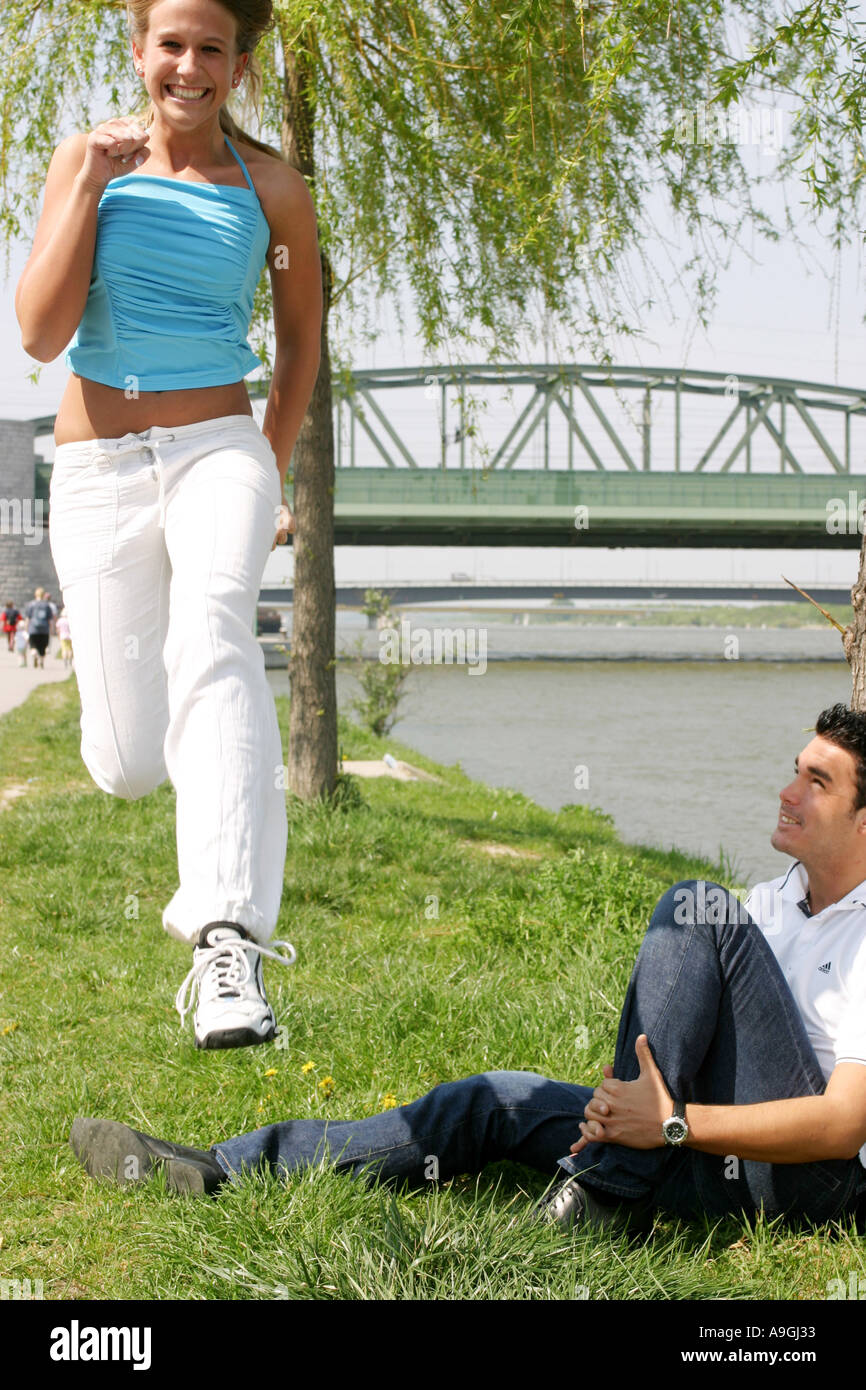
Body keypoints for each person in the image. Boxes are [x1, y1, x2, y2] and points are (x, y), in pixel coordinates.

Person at [70, 704, 866, 1233]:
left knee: (698, 902)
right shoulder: (772, 901)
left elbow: (843, 1126)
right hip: (687, 1153)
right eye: (795, 769)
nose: (787, 791)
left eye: (817, 782)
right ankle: (219, 1170)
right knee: (492, 1099)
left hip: (798, 1184)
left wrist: (667, 1124)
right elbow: (673, 1030)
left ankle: (611, 1189)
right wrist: (618, 1099)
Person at [15, 0, 322, 1051]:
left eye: (211, 50)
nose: (188, 67)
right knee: (128, 760)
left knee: (216, 637)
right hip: (98, 465)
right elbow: (41, 331)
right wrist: (92, 188)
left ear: (238, 65)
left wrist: (264, 469)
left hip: (216, 450)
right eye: (171, 46)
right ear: (140, 51)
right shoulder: (85, 160)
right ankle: (199, 878)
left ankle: (226, 941)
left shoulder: (271, 190)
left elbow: (296, 345)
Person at [23, 587, 57, 668]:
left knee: (33, 645)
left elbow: (28, 618)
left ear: (35, 594)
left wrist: (26, 629)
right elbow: (50, 620)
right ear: (43, 595)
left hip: (33, 629)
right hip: (44, 629)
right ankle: (41, 661)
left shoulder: (31, 604)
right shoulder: (46, 605)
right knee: (43, 647)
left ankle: (34, 653)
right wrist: (52, 630)